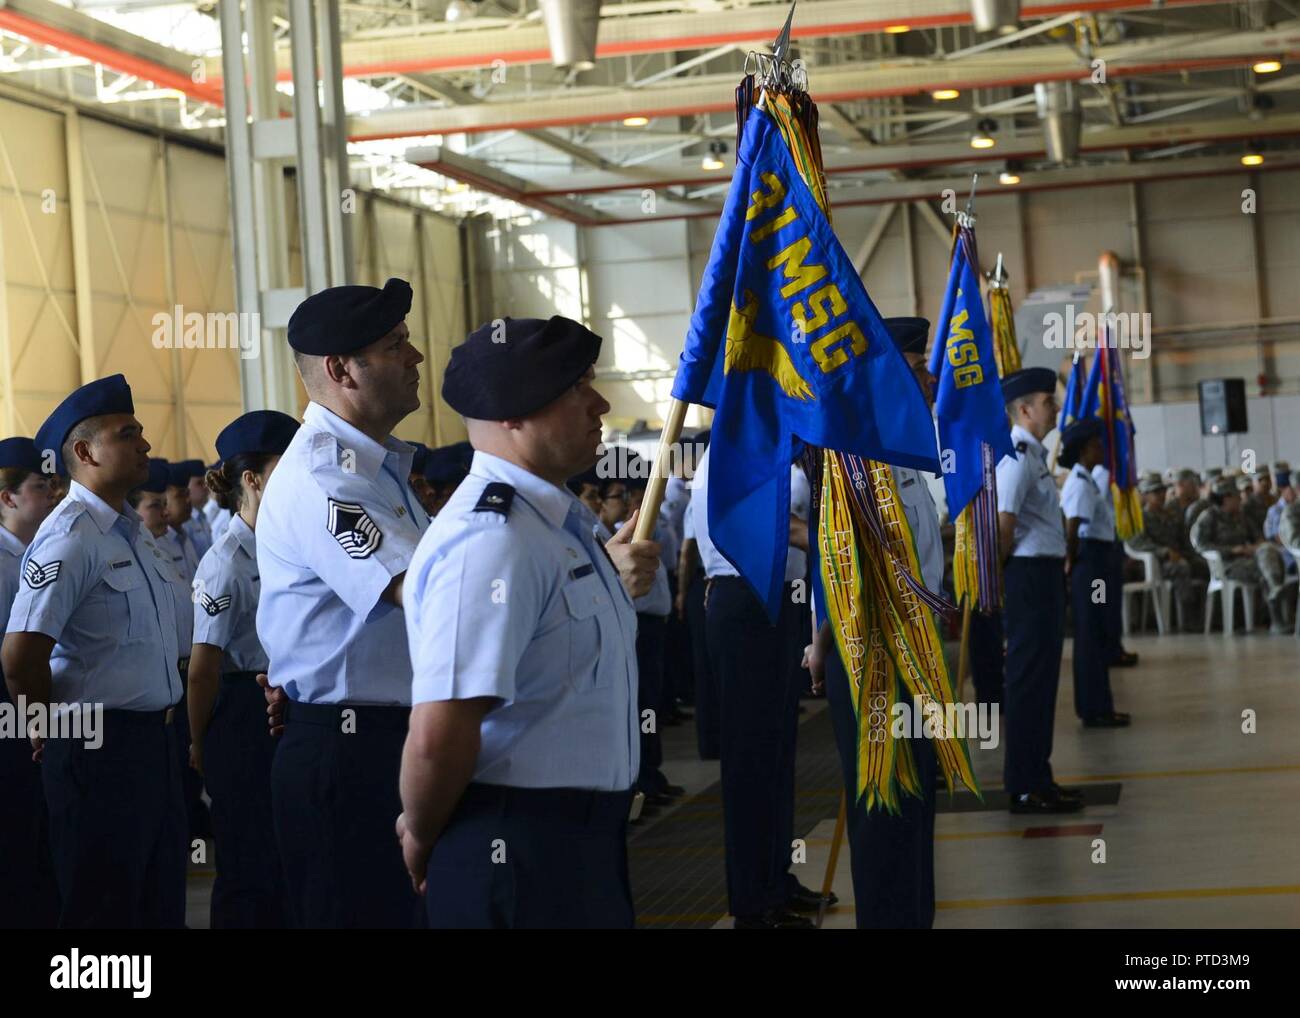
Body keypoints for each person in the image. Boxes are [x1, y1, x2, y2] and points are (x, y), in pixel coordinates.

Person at [396, 315, 659, 928]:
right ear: (513, 411)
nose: (600, 403)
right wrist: (421, 832)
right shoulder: (491, 539)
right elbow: (441, 732)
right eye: (576, 388)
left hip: (576, 846)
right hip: (517, 850)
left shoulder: (551, 525)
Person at [256, 277, 430, 928]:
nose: (415, 359)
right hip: (351, 754)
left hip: (376, 736)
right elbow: (424, 592)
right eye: (396, 345)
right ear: (339, 369)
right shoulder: (327, 479)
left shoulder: (375, 472)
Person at [2, 375, 187, 927]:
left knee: (157, 903)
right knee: (102, 914)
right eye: (127, 433)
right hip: (98, 749)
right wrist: (42, 723)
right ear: (84, 452)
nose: (145, 444)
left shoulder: (131, 532)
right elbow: (21, 654)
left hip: (155, 744)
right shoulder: (72, 536)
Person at [806, 315, 941, 928]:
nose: (931, 378)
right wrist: (822, 641)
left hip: (915, 643)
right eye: (917, 368)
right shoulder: (855, 454)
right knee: (884, 801)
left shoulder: (899, 447)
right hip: (872, 651)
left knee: (916, 796)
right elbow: (835, 558)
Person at [692, 438, 819, 929]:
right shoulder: (731, 452)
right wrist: (837, 539)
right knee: (749, 762)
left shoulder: (770, 449)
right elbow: (779, 526)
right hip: (745, 600)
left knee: (778, 754)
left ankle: (776, 880)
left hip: (779, 600)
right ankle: (752, 901)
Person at [188, 411, 299, 929]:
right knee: (248, 858)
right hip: (240, 712)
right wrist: (199, 742)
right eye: (287, 466)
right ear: (252, 480)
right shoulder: (225, 562)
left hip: (284, 706)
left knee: (284, 856)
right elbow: (204, 668)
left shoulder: (286, 546)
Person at [995, 368, 1083, 814]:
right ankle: (1024, 784)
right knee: (1029, 681)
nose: (1055, 408)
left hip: (1043, 576)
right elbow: (1003, 527)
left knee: (1044, 679)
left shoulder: (1032, 455)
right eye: (1048, 402)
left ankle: (1039, 775)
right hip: (1028, 577)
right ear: (1026, 410)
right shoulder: (1014, 456)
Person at [0, 438, 60, 928]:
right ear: (8, 498)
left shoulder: (45, 549)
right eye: (40, 487)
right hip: (12, 718)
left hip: (45, 712)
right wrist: (30, 720)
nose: (53, 495)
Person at [1059, 419, 1130, 729]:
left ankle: (1099, 705)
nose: (1102, 449)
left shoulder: (1085, 480)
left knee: (1097, 631)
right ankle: (1095, 708)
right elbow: (1073, 529)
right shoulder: (1079, 483)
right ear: (1084, 450)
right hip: (1091, 565)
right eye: (1097, 445)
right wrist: (1071, 563)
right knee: (1091, 634)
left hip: (1096, 562)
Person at [1192, 476, 1290, 633]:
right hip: (1227, 565)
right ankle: (1276, 614)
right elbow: (1200, 545)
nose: (1240, 499)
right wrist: (1233, 550)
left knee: (1267, 552)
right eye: (1237, 496)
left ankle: (1275, 594)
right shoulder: (1209, 516)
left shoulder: (1241, 516)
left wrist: (1254, 547)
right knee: (1267, 571)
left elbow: (1258, 537)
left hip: (1251, 559)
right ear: (1226, 498)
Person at [1128, 470, 1203, 629]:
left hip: (1179, 557)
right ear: (1146, 495)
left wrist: (1195, 555)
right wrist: (1164, 552)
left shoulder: (1170, 515)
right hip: (1154, 564)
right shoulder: (1140, 518)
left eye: (1162, 491)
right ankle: (1187, 620)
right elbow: (1138, 543)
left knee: (1204, 566)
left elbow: (1182, 540)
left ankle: (1210, 616)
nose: (1161, 495)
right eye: (1156, 492)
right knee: (1180, 568)